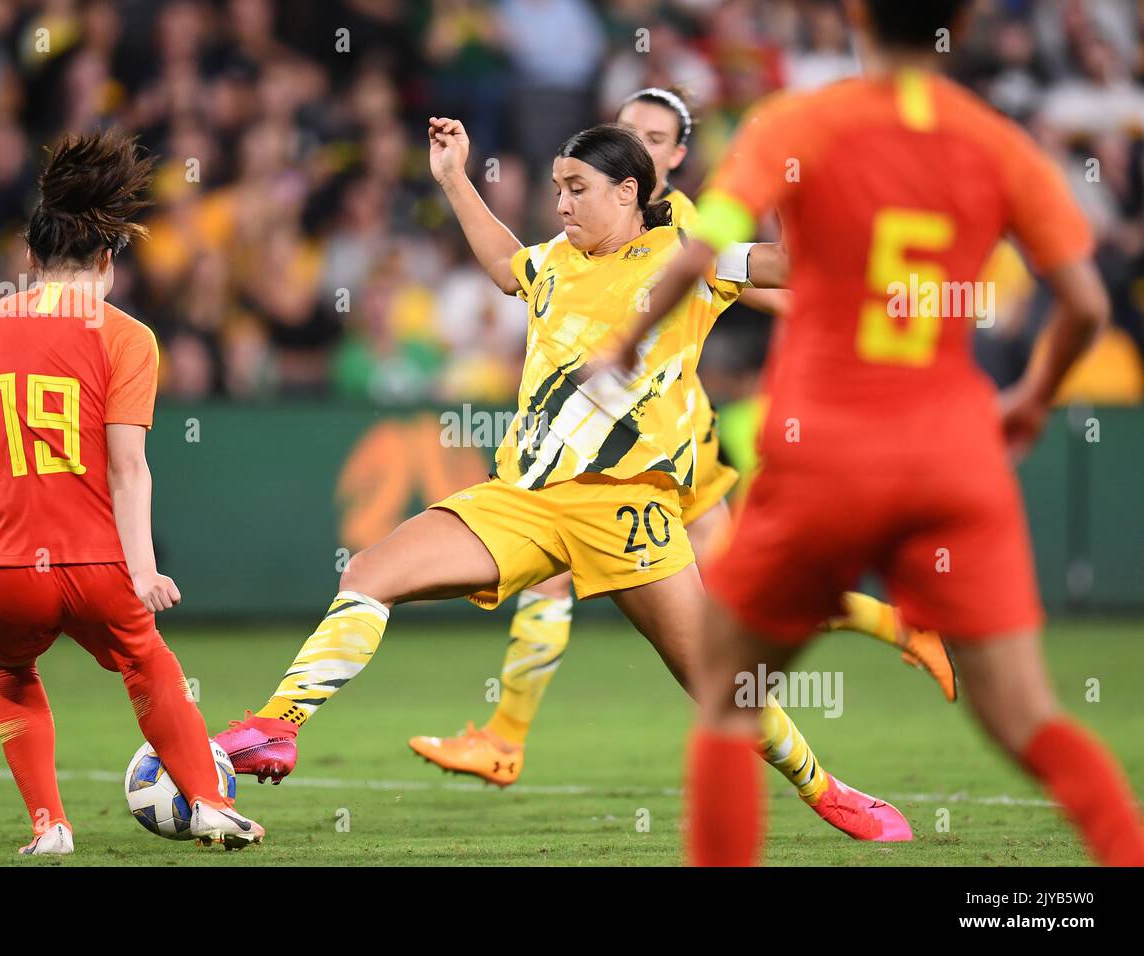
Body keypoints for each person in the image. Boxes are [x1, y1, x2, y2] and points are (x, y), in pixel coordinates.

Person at [214, 118, 910, 842]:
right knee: (369, 571)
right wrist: (453, 176)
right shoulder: (554, 262)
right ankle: (276, 726)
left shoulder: (689, 260)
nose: (563, 205)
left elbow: (783, 265)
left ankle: (827, 790)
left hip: (625, 511)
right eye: (557, 190)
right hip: (522, 500)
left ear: (629, 192)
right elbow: (503, 263)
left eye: (577, 189)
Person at [609, 0, 1144, 866]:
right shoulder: (997, 141)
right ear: (963, 24)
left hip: (826, 452)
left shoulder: (797, 123)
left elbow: (703, 245)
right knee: (1028, 717)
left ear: (856, 13)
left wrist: (624, 341)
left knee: (727, 698)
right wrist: (1035, 396)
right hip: (954, 453)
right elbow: (1085, 304)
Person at [408, 86, 958, 797]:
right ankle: (505, 738)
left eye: (653, 134)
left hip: (665, 450)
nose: (635, 138)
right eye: (626, 127)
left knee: (735, 602)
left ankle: (507, 739)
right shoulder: (590, 230)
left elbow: (768, 278)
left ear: (672, 157)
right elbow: (522, 276)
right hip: (599, 455)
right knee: (602, 578)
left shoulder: (687, 228)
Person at [0, 132, 264, 855]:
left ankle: (50, 826)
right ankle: (208, 802)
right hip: (98, 565)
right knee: (148, 662)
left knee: (10, 673)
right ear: (107, 261)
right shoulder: (128, 337)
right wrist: (139, 568)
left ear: (30, 261)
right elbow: (128, 467)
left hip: (4, 569)